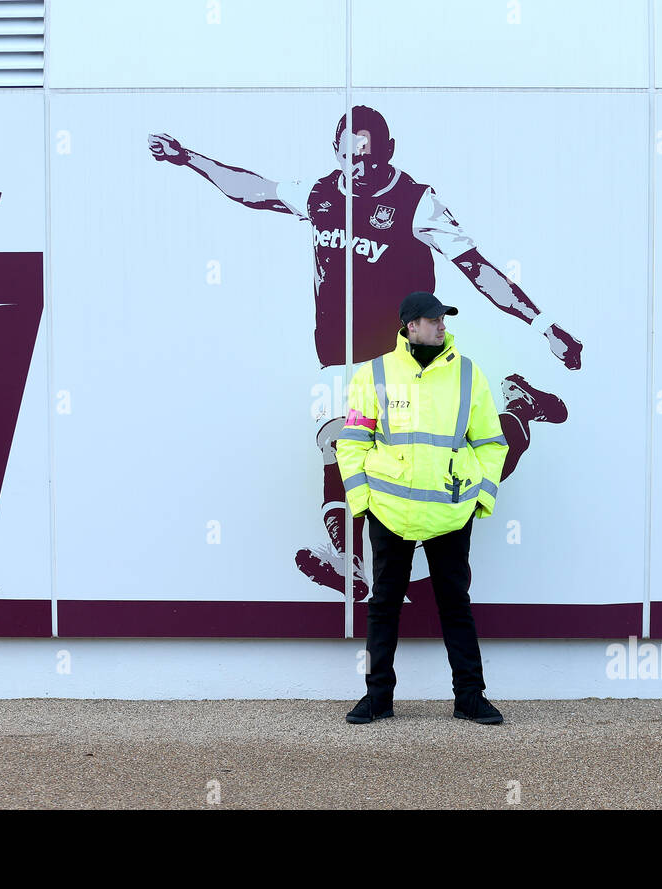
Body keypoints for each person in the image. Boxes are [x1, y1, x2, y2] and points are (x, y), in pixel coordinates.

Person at [147, 106, 577, 601]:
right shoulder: (321, 195)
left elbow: (477, 269)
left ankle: (519, 408)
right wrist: (189, 159)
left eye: (368, 159)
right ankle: (347, 560)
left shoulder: (417, 204)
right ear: (336, 153)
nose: (359, 169)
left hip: (406, 365)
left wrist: (543, 324)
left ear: (388, 152)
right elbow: (254, 189)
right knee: (337, 444)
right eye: (349, 158)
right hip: (342, 363)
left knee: (452, 486)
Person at [335, 291, 510, 725]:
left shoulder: (468, 374)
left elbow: (491, 443)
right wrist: (364, 502)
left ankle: (470, 697)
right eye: (434, 320)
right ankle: (378, 699)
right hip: (389, 511)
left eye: (444, 320)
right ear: (411, 325)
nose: (442, 326)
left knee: (455, 603)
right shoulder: (373, 374)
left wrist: (480, 499)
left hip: (450, 510)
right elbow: (352, 442)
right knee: (384, 604)